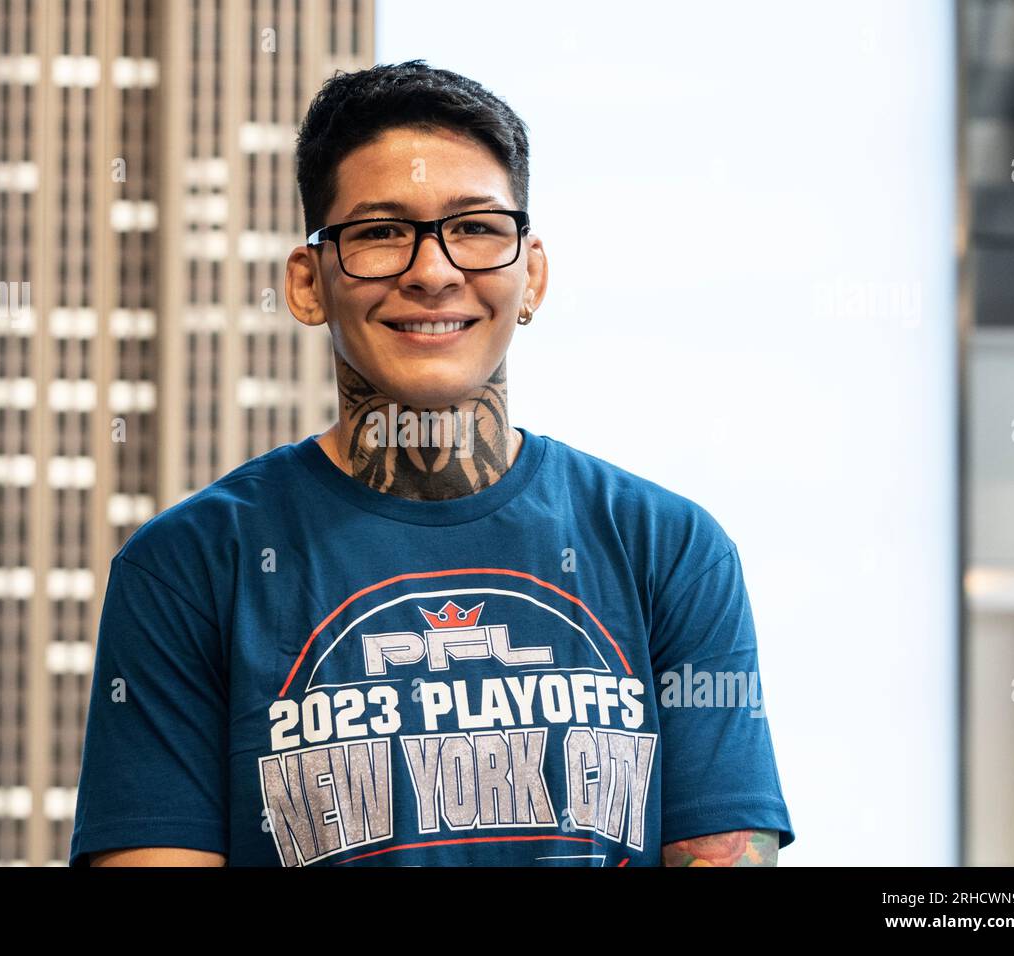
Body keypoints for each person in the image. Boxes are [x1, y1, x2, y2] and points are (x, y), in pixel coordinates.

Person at [69, 60, 794, 867]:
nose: (434, 270)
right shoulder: (185, 568)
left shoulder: (672, 551)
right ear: (308, 284)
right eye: (381, 233)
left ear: (532, 276)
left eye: (477, 228)